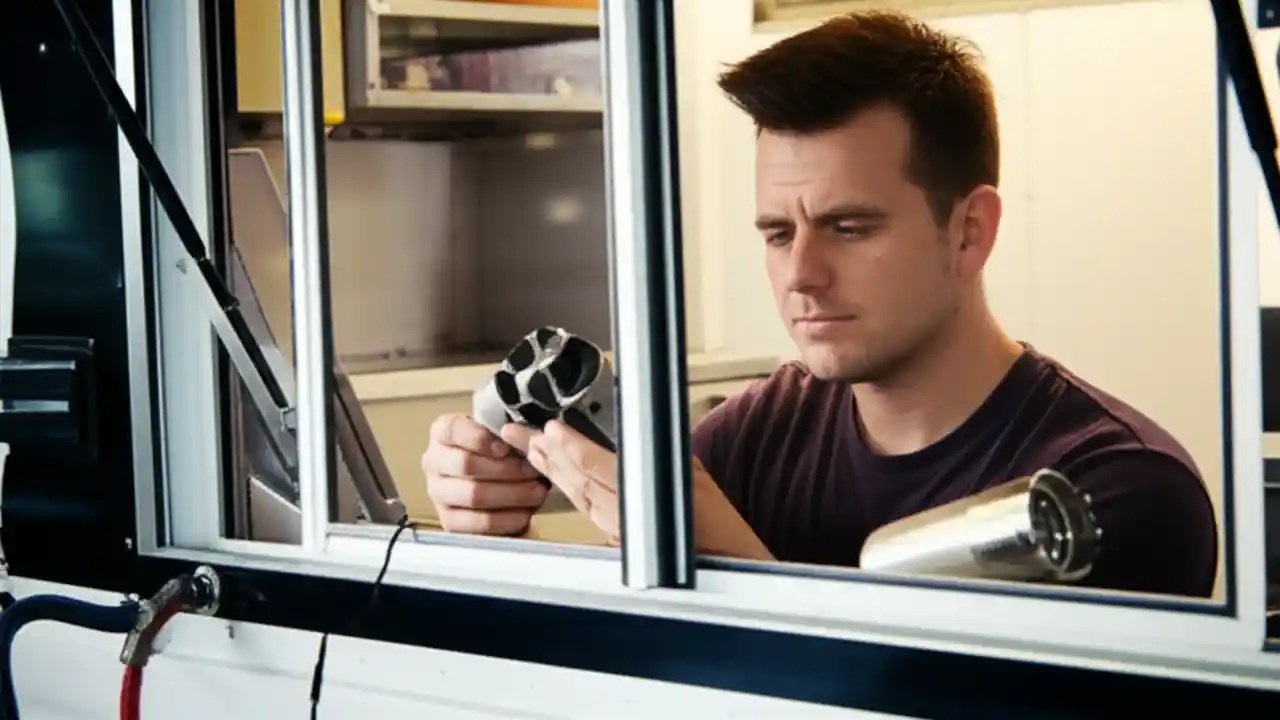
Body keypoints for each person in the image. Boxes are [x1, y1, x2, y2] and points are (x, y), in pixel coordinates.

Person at [420, 10, 1218, 598]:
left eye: (848, 226)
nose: (801, 275)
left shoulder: (1115, 494)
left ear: (969, 232)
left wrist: (729, 563)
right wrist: (498, 529)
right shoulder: (765, 429)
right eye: (776, 232)